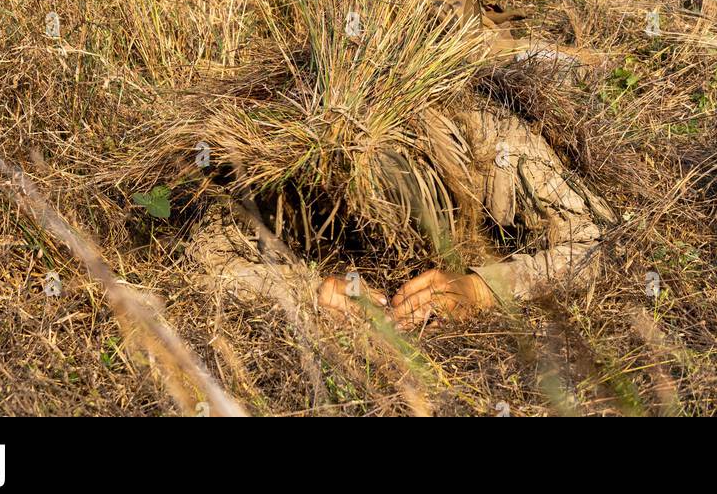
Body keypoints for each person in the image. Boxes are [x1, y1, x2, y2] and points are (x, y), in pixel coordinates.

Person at [188, 103, 614, 330]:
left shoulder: (496, 146)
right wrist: (309, 289)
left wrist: (483, 288)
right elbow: (209, 255)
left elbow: (592, 242)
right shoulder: (285, 151)